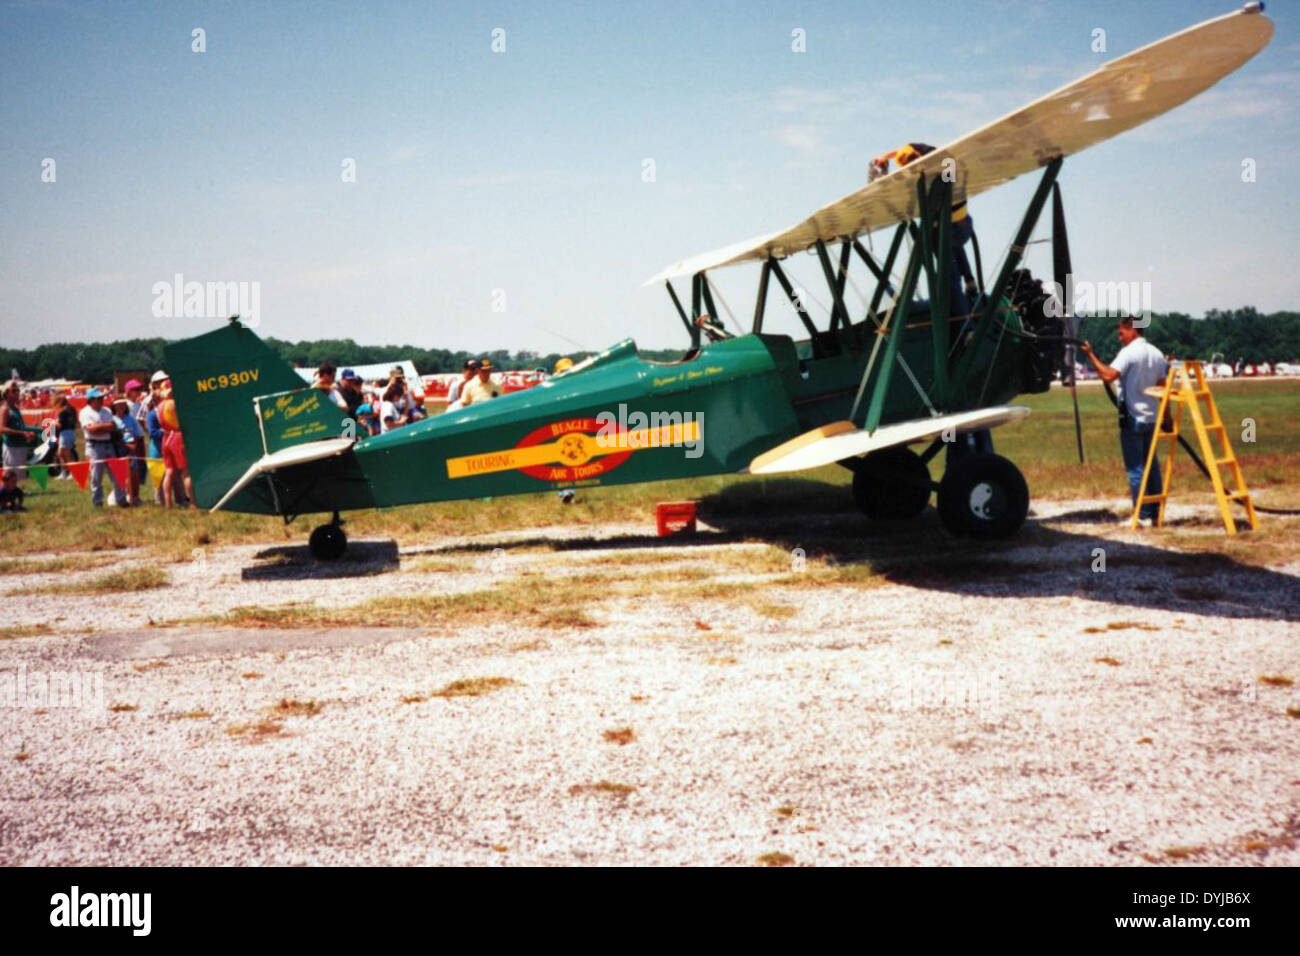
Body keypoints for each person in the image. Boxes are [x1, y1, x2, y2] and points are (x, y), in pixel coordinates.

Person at [870, 142, 979, 316]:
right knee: (948, 243)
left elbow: (947, 181)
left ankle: (965, 327)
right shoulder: (926, 155)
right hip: (959, 225)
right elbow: (901, 151)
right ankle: (970, 281)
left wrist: (934, 218)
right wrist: (884, 158)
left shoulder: (941, 174)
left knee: (950, 277)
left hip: (956, 229)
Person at [1080, 317, 1170, 523]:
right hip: (1152, 417)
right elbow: (1164, 388)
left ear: (1132, 330)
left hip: (1132, 417)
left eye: (1121, 333)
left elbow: (1108, 375)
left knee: (1136, 468)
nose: (1119, 338)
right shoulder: (1157, 354)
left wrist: (1090, 355)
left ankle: (1143, 514)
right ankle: (1156, 512)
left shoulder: (1129, 352)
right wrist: (1167, 418)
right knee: (1152, 466)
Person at [79, 388, 127, 507]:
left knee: (116, 474)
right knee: (96, 476)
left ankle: (121, 499)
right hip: (94, 446)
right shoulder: (84, 412)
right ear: (91, 400)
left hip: (108, 444)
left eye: (102, 398)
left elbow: (112, 426)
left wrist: (100, 427)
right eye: (98, 398)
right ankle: (97, 501)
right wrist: (104, 427)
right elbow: (91, 430)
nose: (102, 400)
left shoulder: (106, 411)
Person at [1, 379, 42, 479]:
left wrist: (29, 433)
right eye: (13, 391)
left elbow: (21, 427)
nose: (17, 393)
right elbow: (2, 428)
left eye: (17, 390)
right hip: (12, 447)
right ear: (7, 393)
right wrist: (22, 433)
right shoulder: (5, 409)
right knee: (10, 477)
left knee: (19, 478)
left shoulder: (15, 409)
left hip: (20, 446)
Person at [111, 396, 145, 505]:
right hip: (118, 449)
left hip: (132, 448)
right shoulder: (112, 420)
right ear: (114, 407)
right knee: (122, 475)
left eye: (123, 405)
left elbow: (138, 433)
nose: (121, 407)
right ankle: (124, 497)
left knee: (134, 474)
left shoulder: (131, 419)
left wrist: (133, 445)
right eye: (118, 405)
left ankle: (135, 497)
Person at [54, 394, 78, 478]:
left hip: (65, 433)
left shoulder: (62, 411)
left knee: (65, 453)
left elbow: (60, 424)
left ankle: (73, 472)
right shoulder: (72, 409)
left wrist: (54, 422)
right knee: (60, 453)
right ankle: (64, 472)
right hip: (71, 432)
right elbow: (76, 421)